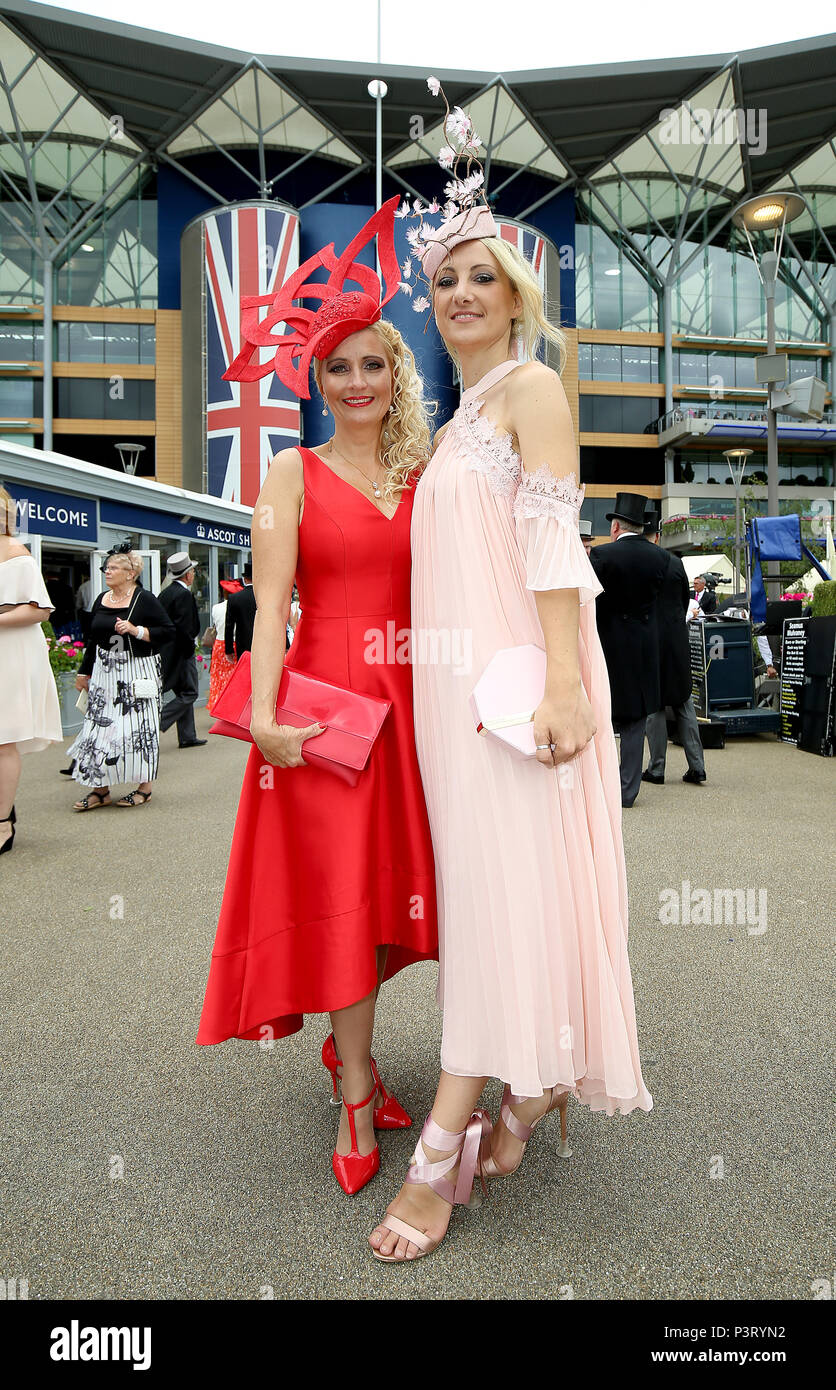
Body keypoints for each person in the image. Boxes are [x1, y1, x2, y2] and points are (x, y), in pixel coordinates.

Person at [368, 107, 652, 1262]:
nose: (459, 294)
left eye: (480, 277)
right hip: (458, 701)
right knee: (496, 897)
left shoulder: (532, 389)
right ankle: (529, 1092)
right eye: (443, 280)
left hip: (520, 687)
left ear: (516, 293)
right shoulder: (453, 416)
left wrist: (566, 692)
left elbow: (548, 544)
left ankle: (444, 1145)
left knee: (499, 902)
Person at [196, 197, 438, 1197]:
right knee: (341, 896)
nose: (353, 382)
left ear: (395, 370)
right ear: (316, 380)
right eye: (335, 368)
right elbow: (268, 608)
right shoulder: (291, 472)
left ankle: (353, 1051)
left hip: (420, 702)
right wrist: (258, 716)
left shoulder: (428, 470)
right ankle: (352, 1093)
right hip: (330, 713)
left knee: (402, 893)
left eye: (370, 364)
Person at [66, 545, 173, 810]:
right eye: (106, 567)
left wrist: (136, 630)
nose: (107, 571)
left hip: (137, 672)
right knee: (99, 730)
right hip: (105, 673)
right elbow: (94, 639)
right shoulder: (102, 598)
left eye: (113, 567)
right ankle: (100, 790)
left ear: (131, 573)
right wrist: (84, 670)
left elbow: (168, 631)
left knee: (138, 731)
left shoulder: (144, 599)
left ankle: (144, 788)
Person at [589, 493, 670, 808]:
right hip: (643, 650)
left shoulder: (601, 556)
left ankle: (601, 785)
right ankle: (627, 791)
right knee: (635, 721)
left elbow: (590, 603)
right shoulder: (661, 559)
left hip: (608, 646)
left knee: (603, 717)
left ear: (615, 526)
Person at [0, 486, 64, 853]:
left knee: (3, 737)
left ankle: (3, 823)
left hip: (11, 653)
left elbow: (40, 610)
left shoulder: (16, 553)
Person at [640, 511, 707, 786]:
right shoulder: (675, 563)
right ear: (657, 536)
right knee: (683, 701)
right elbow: (683, 599)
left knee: (654, 706)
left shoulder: (639, 563)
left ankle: (656, 768)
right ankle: (697, 766)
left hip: (651, 638)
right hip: (676, 638)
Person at [158, 553, 205, 749]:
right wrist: (188, 651)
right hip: (182, 652)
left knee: (183, 691)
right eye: (192, 571)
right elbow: (185, 628)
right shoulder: (183, 595)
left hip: (168, 651)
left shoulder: (165, 593)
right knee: (191, 692)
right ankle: (158, 721)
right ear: (187, 575)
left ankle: (187, 735)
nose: (193, 574)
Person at [206, 578, 242, 713]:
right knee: (233, 678)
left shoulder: (216, 608)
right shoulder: (238, 605)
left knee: (218, 678)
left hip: (219, 644)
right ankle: (233, 707)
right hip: (233, 644)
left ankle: (217, 707)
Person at [224, 562, 256, 660]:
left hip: (243, 645)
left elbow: (229, 626)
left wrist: (229, 650)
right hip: (262, 644)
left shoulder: (234, 598)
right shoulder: (265, 597)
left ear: (245, 580)